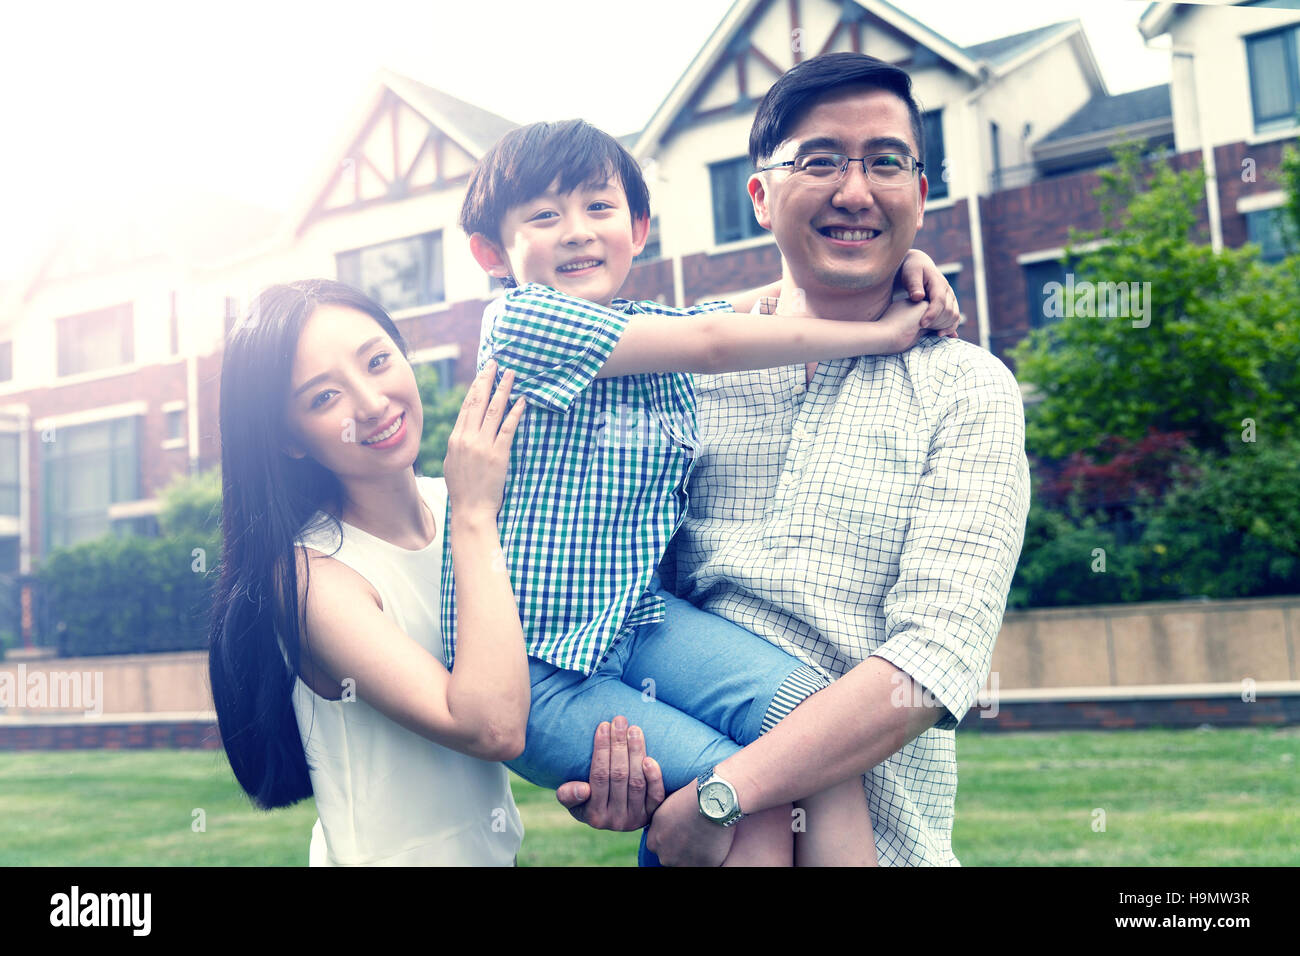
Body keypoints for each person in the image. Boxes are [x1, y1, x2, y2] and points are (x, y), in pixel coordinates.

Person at [443, 118, 962, 865]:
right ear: (492, 252)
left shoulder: (641, 328)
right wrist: (880, 334)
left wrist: (895, 265)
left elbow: (751, 311)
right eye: (544, 216)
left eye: (599, 207)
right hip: (535, 666)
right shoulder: (522, 321)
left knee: (817, 742)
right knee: (750, 804)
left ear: (640, 227)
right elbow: (716, 343)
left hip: (636, 622)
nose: (577, 233)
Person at [559, 52, 1032, 867]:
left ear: (921, 196)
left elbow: (931, 661)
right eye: (820, 160)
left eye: (886, 162)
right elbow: (619, 596)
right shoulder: (685, 374)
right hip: (694, 850)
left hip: (886, 847)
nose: (856, 190)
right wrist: (621, 766)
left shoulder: (967, 388)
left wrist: (724, 793)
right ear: (761, 195)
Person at [208, 279, 532, 865]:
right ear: (290, 441)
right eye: (323, 398)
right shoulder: (310, 576)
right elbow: (490, 726)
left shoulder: (455, 508)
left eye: (378, 361)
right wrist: (477, 515)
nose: (373, 404)